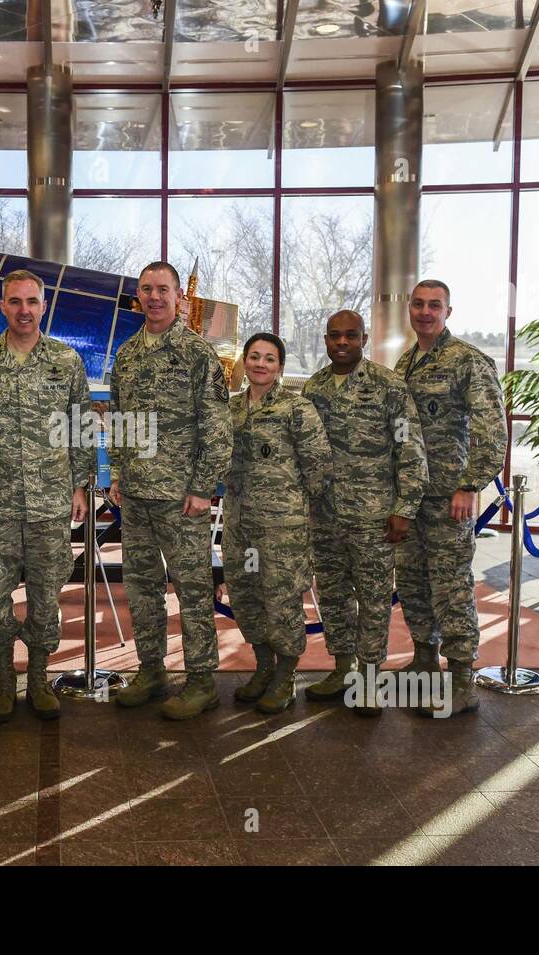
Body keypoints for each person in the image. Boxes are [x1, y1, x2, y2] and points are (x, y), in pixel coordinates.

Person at [0, 270, 92, 722]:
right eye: (15, 301)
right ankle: (6, 677)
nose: (24, 310)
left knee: (47, 597)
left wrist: (81, 484)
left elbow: (80, 426)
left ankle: (41, 676)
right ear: (3, 306)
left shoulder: (66, 362)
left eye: (32, 301)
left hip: (50, 503)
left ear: (44, 306)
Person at [108, 261, 232, 720]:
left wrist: (203, 488)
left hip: (183, 498)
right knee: (141, 588)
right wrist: (118, 474)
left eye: (163, 290)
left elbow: (217, 428)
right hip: (137, 496)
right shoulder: (127, 355)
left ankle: (201, 680)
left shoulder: (198, 355)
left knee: (193, 588)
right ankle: (152, 669)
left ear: (179, 297)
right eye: (146, 290)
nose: (154, 297)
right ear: (137, 297)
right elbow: (118, 422)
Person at [302, 310, 427, 716]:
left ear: (364, 339)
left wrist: (405, 508)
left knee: (373, 598)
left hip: (374, 514)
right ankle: (342, 668)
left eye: (350, 336)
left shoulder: (388, 386)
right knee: (333, 594)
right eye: (335, 336)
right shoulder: (314, 388)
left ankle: (371, 677)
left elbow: (410, 448)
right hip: (325, 513)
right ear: (325, 340)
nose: (342, 343)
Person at [392, 280, 507, 717]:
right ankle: (424, 659)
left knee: (452, 584)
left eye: (433, 305)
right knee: (414, 581)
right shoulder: (406, 362)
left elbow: (492, 432)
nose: (425, 312)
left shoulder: (467, 362)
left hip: (446, 497)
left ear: (448, 311)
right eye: (418, 304)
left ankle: (462, 679)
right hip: (409, 497)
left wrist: (470, 484)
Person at [221, 333, 330, 714]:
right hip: (240, 527)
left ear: (280, 366)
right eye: (254, 357)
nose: (261, 364)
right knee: (248, 596)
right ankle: (263, 667)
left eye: (269, 358)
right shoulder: (230, 409)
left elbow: (318, 467)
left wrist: (296, 509)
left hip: (282, 529)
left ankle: (285, 676)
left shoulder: (297, 409)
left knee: (281, 601)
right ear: (245, 363)